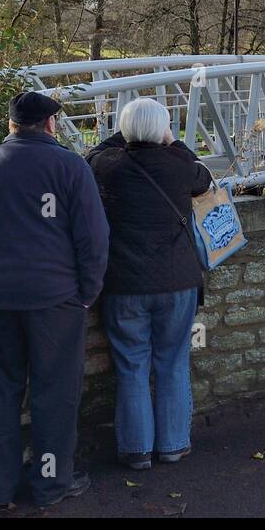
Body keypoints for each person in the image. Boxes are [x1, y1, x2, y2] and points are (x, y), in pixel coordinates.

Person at [0, 92, 109, 509]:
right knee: (54, 396)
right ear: (51, 124)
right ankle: (50, 484)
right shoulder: (70, 167)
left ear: (11, 124)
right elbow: (94, 239)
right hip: (55, 302)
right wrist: (86, 293)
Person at [86, 98, 212, 470]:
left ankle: (137, 451)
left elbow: (92, 154)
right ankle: (173, 445)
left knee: (131, 366)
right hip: (177, 282)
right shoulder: (179, 165)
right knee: (173, 362)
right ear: (164, 129)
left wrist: (123, 135)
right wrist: (172, 141)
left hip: (124, 283)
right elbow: (204, 176)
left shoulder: (108, 166)